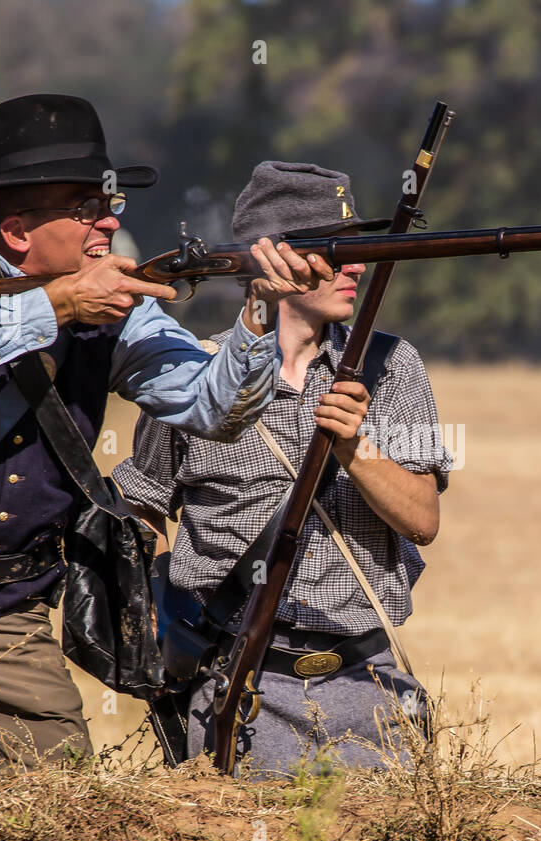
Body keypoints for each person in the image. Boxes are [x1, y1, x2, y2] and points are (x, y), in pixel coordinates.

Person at [0, 94, 332, 771]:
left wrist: (260, 312)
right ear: (17, 230)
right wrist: (61, 303)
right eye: (86, 208)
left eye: (110, 205)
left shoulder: (114, 303)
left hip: (12, 617)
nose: (108, 221)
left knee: (59, 833)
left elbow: (214, 410)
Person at [113, 161, 453, 777]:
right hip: (235, 690)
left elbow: (422, 520)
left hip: (363, 687)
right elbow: (141, 511)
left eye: (360, 250)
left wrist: (355, 448)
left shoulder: (392, 365)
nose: (356, 266)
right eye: (337, 251)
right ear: (271, 260)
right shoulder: (194, 373)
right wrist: (159, 640)